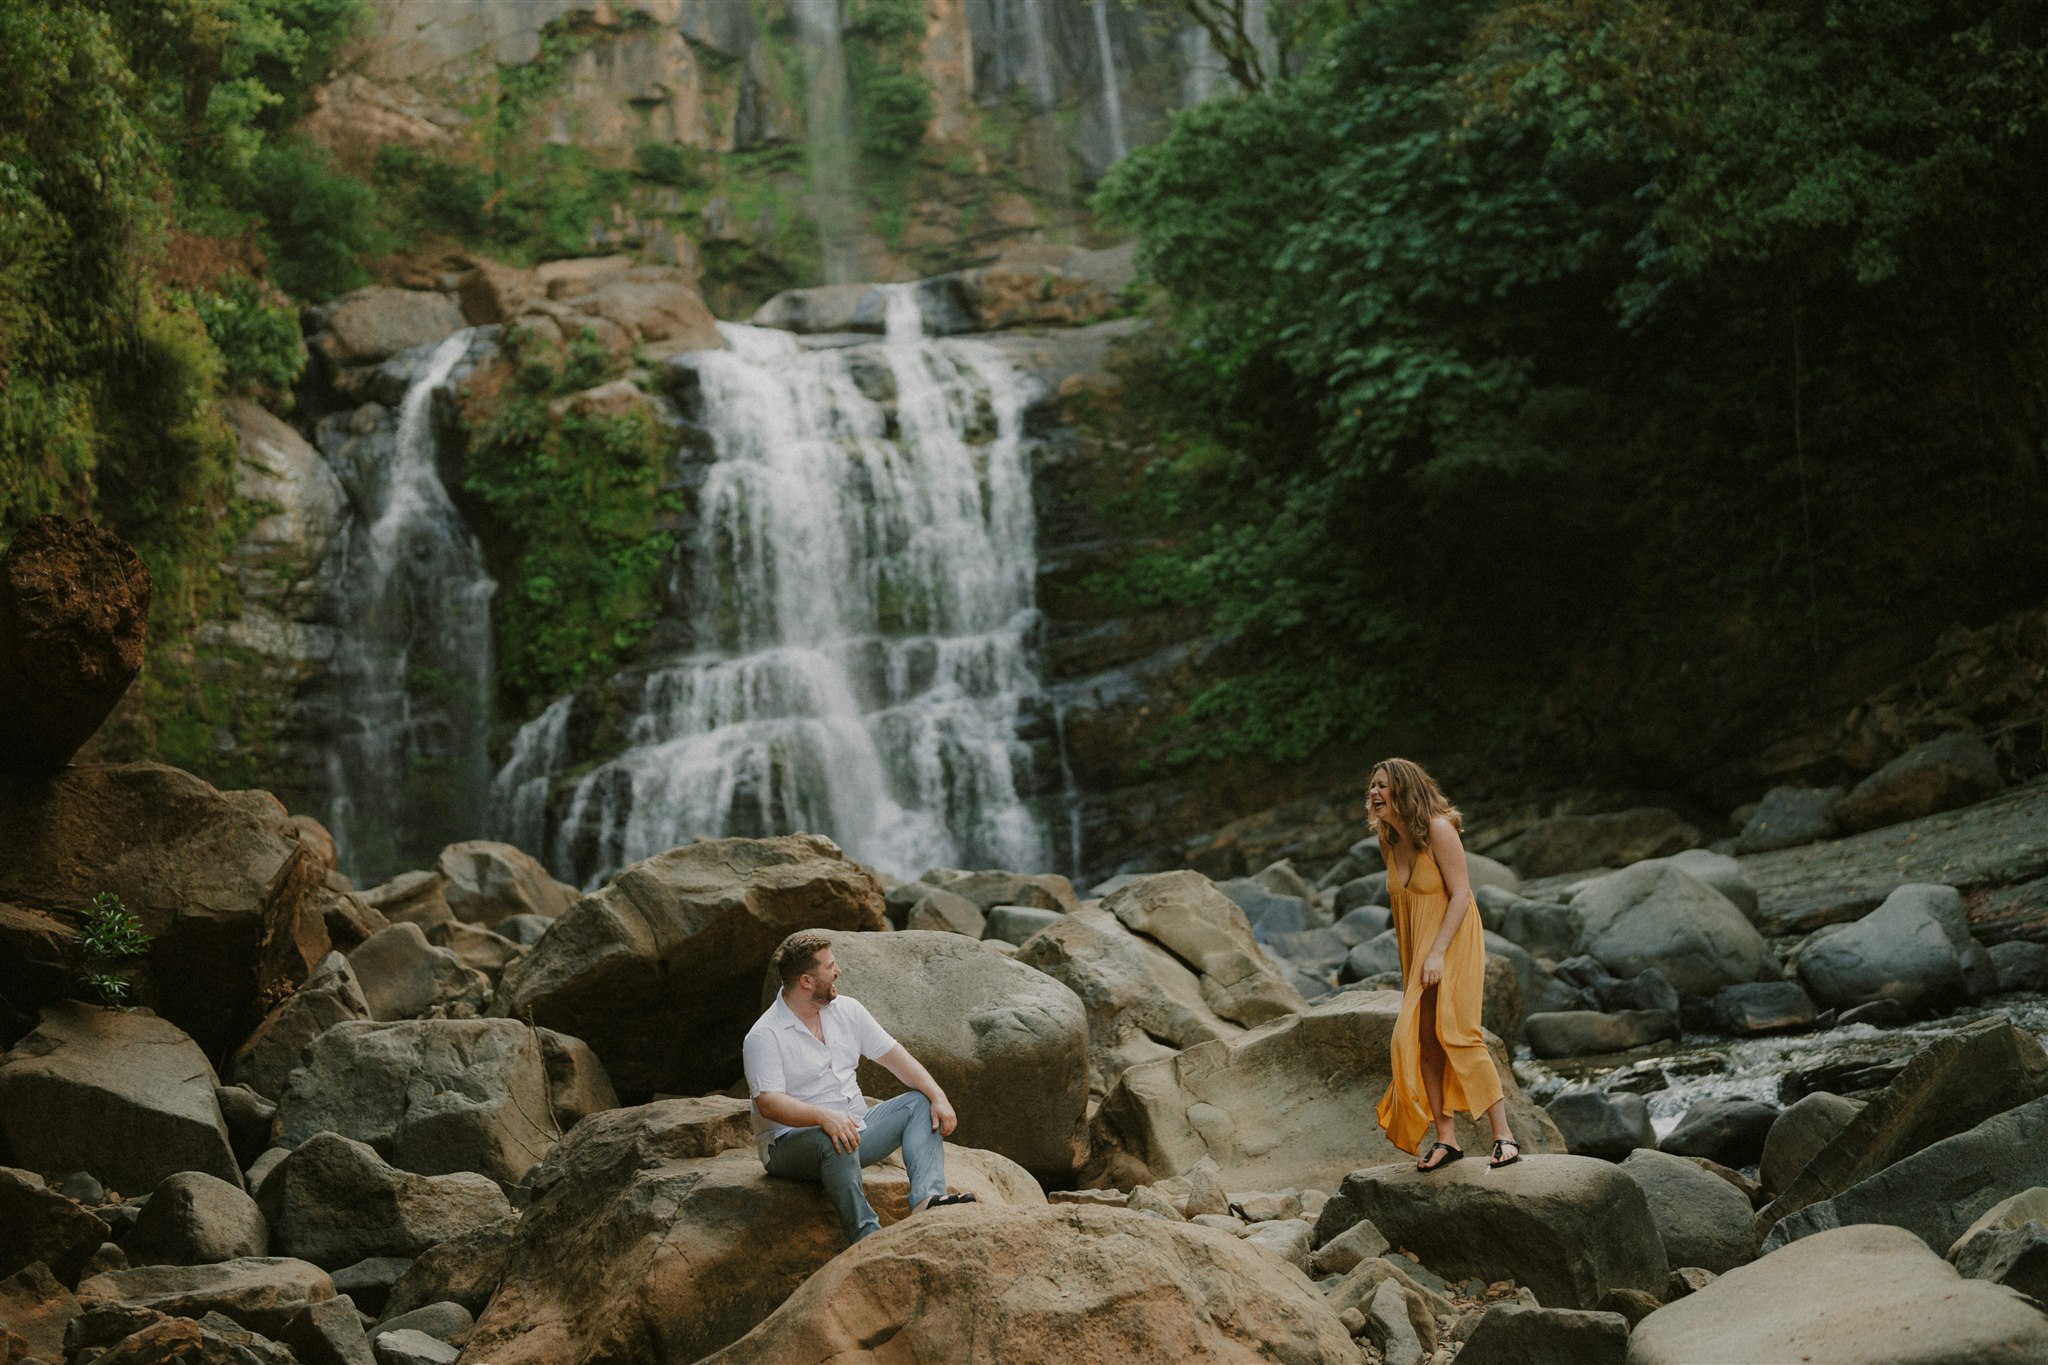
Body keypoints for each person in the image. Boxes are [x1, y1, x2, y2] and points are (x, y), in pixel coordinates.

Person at [743, 931, 978, 1243]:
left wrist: (938, 1096)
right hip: (787, 1146)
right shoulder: (765, 1035)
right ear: (807, 981)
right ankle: (866, 1235)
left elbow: (897, 1060)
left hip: (855, 1130)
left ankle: (926, 1202)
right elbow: (769, 1103)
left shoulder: (848, 1010)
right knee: (834, 1137)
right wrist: (823, 1117)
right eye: (830, 966)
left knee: (920, 1104)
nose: (838, 971)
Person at [1369, 758, 1522, 1171]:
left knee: (1457, 1031)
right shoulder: (1387, 838)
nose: (1374, 793)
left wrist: (1437, 952)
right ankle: (1446, 1139)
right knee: (1422, 1038)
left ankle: (1503, 1136)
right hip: (1419, 948)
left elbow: (1462, 894)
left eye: (1383, 786)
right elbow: (1405, 909)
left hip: (1453, 941)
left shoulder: (1437, 829)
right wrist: (1418, 957)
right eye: (1372, 787)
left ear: (1405, 790)